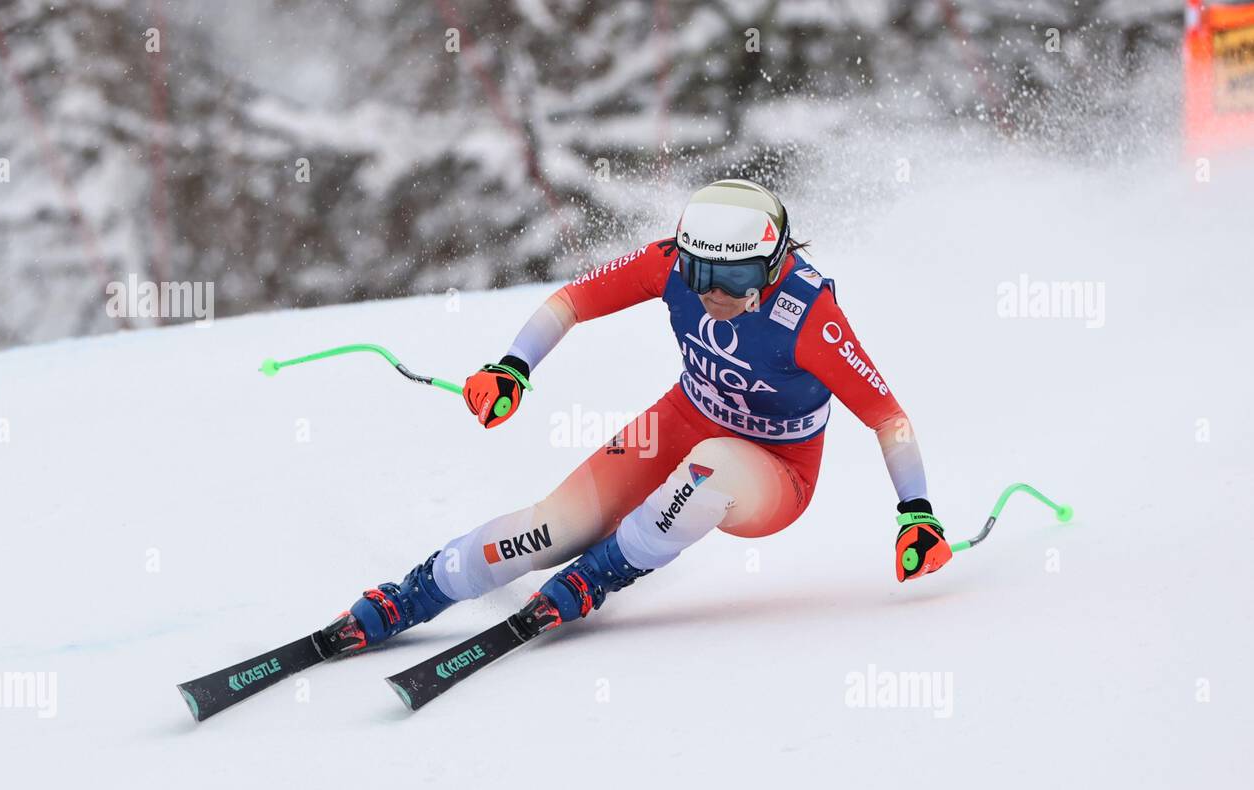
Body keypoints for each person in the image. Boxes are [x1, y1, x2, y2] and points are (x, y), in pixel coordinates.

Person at [322, 179, 953, 654]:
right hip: (681, 418)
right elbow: (572, 301)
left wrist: (915, 511)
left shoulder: (808, 314)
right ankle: (415, 594)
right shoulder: (669, 264)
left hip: (778, 470)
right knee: (551, 528)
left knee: (708, 471)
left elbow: (887, 417)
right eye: (699, 269)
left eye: (732, 278)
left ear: (771, 264)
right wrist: (514, 366)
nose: (711, 290)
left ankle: (600, 575)